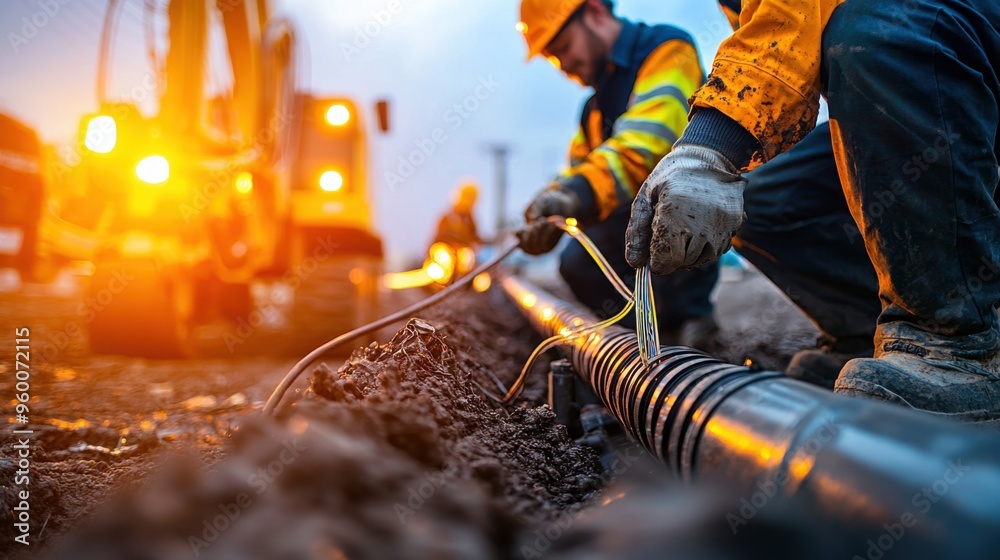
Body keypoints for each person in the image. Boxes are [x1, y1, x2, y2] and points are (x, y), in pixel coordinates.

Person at [625, 0, 1000, 420]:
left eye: (561, 45)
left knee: (875, 34)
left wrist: (712, 146)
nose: (564, 65)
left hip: (968, 74)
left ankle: (957, 341)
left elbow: (791, 18)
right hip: (935, 95)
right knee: (763, 202)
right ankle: (870, 332)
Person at [516, 0, 717, 348]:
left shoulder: (666, 49)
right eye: (553, 58)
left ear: (595, 11)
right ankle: (642, 336)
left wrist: (574, 195)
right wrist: (552, 206)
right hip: (630, 223)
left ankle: (690, 317)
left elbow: (647, 144)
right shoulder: (593, 109)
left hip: (682, 204)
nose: (564, 65)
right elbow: (579, 169)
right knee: (577, 263)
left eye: (563, 48)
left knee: (675, 213)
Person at [434, 181, 481, 248]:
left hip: (463, 254)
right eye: (467, 196)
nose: (468, 200)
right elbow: (437, 236)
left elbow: (474, 236)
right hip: (445, 251)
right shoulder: (448, 217)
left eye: (471, 197)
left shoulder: (470, 219)